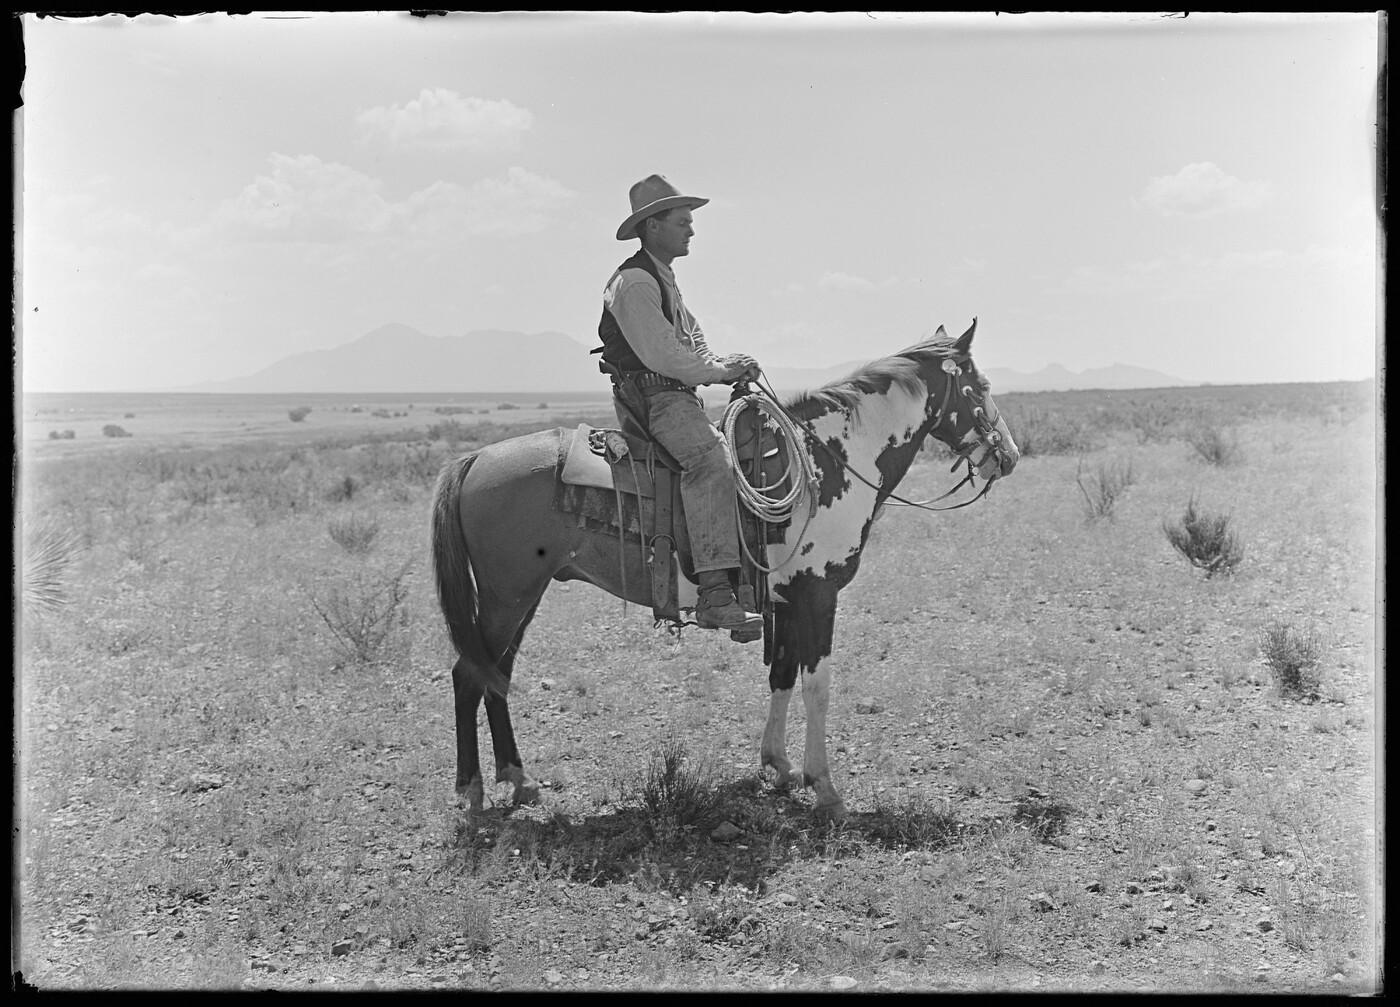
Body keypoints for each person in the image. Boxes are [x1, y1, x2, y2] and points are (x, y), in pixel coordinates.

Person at [595, 174, 762, 636]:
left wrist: (725, 364)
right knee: (710, 459)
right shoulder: (634, 282)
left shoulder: (663, 278)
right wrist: (719, 372)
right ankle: (714, 594)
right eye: (682, 222)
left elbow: (692, 341)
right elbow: (664, 356)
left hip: (675, 394)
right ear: (652, 226)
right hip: (657, 399)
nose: (691, 230)